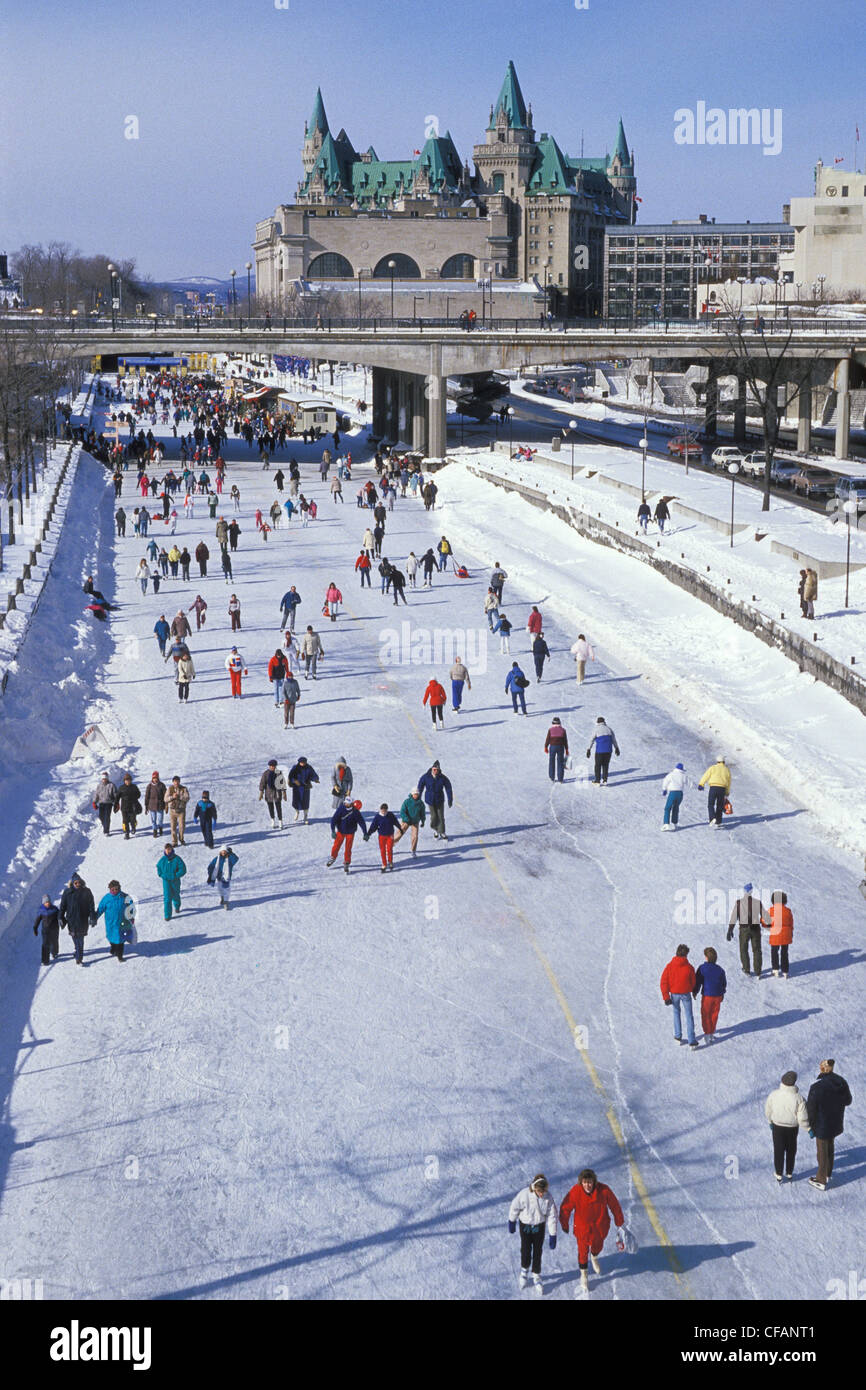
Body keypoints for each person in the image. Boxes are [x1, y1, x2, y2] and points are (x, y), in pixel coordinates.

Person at [559, 1170, 625, 1296]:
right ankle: (583, 1274)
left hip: (600, 1227)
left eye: (589, 1182)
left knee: (597, 1247)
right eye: (584, 1182)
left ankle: (594, 1257)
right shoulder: (576, 1191)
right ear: (581, 1182)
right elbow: (565, 1207)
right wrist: (564, 1222)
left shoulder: (604, 1190)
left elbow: (615, 1205)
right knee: (582, 1251)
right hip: (582, 1229)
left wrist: (619, 1222)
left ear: (594, 1182)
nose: (587, 1185)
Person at [806, 1059, 853, 1191]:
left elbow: (811, 1110)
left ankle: (821, 1180)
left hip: (822, 1125)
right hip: (836, 1122)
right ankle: (828, 1173)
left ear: (822, 1069)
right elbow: (848, 1101)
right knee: (830, 1146)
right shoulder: (842, 1083)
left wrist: (811, 1125)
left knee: (822, 1151)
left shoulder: (816, 1088)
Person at [508, 1175, 558, 1294]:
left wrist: (553, 1234)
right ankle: (524, 1271)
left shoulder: (548, 1198)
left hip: (539, 1227)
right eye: (539, 1191)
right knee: (525, 1249)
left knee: (537, 1251)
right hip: (525, 1226)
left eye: (543, 1191)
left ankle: (536, 1274)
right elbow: (515, 1207)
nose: (541, 1194)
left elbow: (552, 1216)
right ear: (534, 1188)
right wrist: (512, 1221)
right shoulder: (524, 1194)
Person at [764, 1070, 810, 1181]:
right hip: (792, 1129)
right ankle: (789, 1172)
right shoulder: (800, 1098)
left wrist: (770, 1122)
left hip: (777, 1127)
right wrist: (808, 1128)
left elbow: (768, 1110)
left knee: (778, 1150)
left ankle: (778, 1173)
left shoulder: (774, 1094)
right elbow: (802, 1118)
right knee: (791, 1150)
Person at [660, 944, 698, 1048]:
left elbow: (663, 981)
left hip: (674, 994)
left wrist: (666, 997)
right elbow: (693, 982)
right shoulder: (689, 968)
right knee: (689, 1016)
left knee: (676, 1013)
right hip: (686, 994)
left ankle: (678, 1036)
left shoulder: (670, 966)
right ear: (686, 955)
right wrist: (690, 988)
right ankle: (692, 1040)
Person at [727, 883, 766, 978]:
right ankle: (758, 972)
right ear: (752, 891)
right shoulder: (757, 902)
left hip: (744, 929)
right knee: (757, 950)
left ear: (744, 891)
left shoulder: (739, 903)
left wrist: (730, 929)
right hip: (755, 929)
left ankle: (746, 969)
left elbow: (734, 917)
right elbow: (765, 916)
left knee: (743, 949)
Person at [59, 873, 96, 965]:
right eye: (75, 883)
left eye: (79, 882)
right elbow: (63, 906)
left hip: (82, 919)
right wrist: (60, 917)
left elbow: (91, 905)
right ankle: (77, 950)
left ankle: (79, 958)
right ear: (72, 883)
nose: (77, 884)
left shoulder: (87, 891)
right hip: (71, 920)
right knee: (74, 937)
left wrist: (92, 917)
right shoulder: (67, 892)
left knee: (81, 939)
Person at [692, 946, 726, 1044]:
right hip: (718, 996)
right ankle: (711, 1032)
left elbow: (698, 981)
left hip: (707, 996)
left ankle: (707, 1033)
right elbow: (723, 983)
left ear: (706, 957)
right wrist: (722, 993)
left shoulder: (702, 968)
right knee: (714, 1014)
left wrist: (695, 991)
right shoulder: (720, 970)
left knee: (705, 1014)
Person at [95, 879, 135, 962]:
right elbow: (101, 909)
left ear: (119, 888)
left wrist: (131, 917)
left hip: (122, 922)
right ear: (109, 889)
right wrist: (95, 917)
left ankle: (120, 956)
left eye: (116, 889)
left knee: (120, 940)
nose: (114, 891)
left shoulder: (125, 897)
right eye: (112, 889)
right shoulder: (107, 898)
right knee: (111, 938)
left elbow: (131, 907)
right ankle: (113, 947)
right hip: (111, 923)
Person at [327, 797, 367, 874]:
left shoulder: (356, 812)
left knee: (348, 848)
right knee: (336, 845)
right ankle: (333, 857)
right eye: (345, 803)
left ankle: (347, 862)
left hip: (350, 832)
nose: (345, 804)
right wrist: (333, 831)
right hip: (341, 831)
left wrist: (365, 833)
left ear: (351, 804)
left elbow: (362, 822)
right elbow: (333, 820)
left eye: (347, 803)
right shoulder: (341, 809)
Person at [417, 760, 453, 840]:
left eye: (437, 770)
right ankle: (436, 829)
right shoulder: (426, 777)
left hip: (439, 799)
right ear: (432, 768)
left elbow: (448, 788)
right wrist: (418, 798)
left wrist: (450, 799)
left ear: (439, 770)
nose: (435, 771)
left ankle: (442, 831)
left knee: (441, 816)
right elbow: (420, 787)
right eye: (434, 769)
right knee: (434, 816)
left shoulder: (443, 778)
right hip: (430, 800)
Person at [764, 890, 794, 978]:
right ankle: (785, 971)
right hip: (786, 935)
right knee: (784, 952)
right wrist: (791, 932)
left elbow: (764, 921)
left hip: (775, 934)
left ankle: (775, 969)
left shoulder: (771, 910)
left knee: (774, 952)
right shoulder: (788, 911)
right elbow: (791, 923)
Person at [365, 803, 401, 873]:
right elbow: (373, 826)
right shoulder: (377, 817)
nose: (384, 812)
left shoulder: (390, 815)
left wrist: (400, 828)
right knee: (382, 850)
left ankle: (390, 862)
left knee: (389, 849)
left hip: (390, 835)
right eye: (383, 810)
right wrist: (368, 834)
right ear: (380, 810)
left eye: (385, 810)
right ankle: (384, 864)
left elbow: (395, 822)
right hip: (382, 836)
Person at [698, 755, 730, 827]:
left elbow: (706, 775)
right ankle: (718, 822)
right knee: (720, 805)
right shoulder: (726, 769)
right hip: (722, 789)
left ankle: (712, 818)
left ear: (717, 761)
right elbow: (729, 781)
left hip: (713, 788)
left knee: (711, 804)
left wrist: (701, 784)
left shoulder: (713, 768)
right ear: (724, 761)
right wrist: (727, 791)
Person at [157, 844, 186, 922]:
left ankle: (177, 906)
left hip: (175, 881)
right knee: (167, 898)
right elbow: (158, 868)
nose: (168, 851)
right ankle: (167, 915)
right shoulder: (162, 860)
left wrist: (175, 875)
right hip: (166, 882)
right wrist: (162, 875)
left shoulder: (177, 859)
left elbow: (183, 869)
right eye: (166, 849)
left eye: (169, 849)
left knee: (175, 895)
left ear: (172, 849)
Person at [586, 716, 620, 783]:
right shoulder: (609, 729)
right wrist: (617, 748)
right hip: (608, 750)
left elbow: (591, 740)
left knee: (597, 765)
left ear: (598, 722)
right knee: (605, 765)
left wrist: (588, 749)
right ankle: (605, 780)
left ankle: (597, 780)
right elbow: (614, 740)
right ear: (604, 722)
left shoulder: (596, 729)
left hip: (600, 751)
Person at [33, 893, 61, 966]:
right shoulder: (41, 910)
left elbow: (60, 917)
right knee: (45, 944)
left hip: (55, 929)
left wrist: (62, 922)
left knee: (54, 942)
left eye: (48, 902)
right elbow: (37, 920)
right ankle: (45, 960)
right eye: (46, 902)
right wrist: (35, 928)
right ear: (43, 903)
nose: (47, 903)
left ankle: (54, 953)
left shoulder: (54, 909)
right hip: (46, 930)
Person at [288, 757, 319, 822]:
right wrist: (294, 780)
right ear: (299, 762)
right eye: (301, 762)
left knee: (306, 802)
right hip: (297, 787)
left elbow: (313, 775)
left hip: (306, 787)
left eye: (304, 762)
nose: (303, 763)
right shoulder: (295, 768)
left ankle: (305, 816)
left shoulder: (309, 767)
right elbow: (290, 776)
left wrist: (315, 779)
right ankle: (297, 812)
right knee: (296, 802)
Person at [396, 787, 425, 856]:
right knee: (399, 834)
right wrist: (406, 819)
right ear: (412, 794)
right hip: (406, 821)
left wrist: (423, 821)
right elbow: (402, 811)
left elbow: (422, 813)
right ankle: (390, 845)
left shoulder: (420, 803)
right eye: (415, 794)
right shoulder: (407, 801)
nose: (416, 795)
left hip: (415, 822)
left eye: (417, 794)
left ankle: (413, 851)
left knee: (415, 836)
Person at [115, 772, 141, 839]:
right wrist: (116, 804)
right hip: (124, 807)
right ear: (124, 781)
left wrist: (134, 797)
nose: (127, 781)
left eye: (129, 780)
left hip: (133, 806)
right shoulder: (121, 788)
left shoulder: (134, 787)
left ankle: (133, 827)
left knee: (133, 819)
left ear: (131, 780)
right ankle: (127, 833)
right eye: (126, 780)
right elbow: (117, 797)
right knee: (125, 821)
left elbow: (139, 794)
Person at [166, 775, 190, 846]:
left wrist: (179, 797)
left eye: (177, 781)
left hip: (181, 810)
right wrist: (172, 797)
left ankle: (181, 839)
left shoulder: (184, 789)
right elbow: (165, 799)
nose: (176, 783)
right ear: (173, 782)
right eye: (175, 781)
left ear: (179, 782)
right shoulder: (170, 789)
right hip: (172, 811)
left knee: (182, 826)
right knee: (173, 827)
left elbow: (187, 798)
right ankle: (174, 841)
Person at [661, 762, 686, 830]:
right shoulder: (683, 775)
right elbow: (690, 783)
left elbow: (665, 781)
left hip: (673, 793)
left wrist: (664, 789)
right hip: (680, 794)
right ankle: (675, 823)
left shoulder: (671, 774)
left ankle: (666, 824)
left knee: (668, 808)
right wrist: (699, 786)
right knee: (676, 807)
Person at [92, 772, 118, 836]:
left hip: (109, 803)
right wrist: (94, 802)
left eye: (105, 778)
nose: (104, 780)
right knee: (101, 816)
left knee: (107, 817)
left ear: (107, 778)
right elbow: (96, 794)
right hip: (101, 803)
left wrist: (116, 803)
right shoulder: (99, 786)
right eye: (103, 779)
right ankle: (105, 825)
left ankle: (106, 831)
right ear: (102, 779)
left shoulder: (111, 785)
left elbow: (115, 794)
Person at [544, 717, 569, 783]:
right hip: (560, 747)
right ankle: (560, 778)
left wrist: (546, 747)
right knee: (560, 762)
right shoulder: (563, 730)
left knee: (551, 761)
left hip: (552, 747)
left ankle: (552, 777)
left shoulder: (550, 730)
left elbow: (548, 739)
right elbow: (565, 741)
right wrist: (566, 749)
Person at [144, 771, 167, 838]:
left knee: (160, 819)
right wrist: (146, 806)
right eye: (154, 778)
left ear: (158, 778)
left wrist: (166, 805)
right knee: (153, 820)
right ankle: (154, 831)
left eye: (156, 778)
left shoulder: (162, 785)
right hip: (151, 805)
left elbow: (165, 795)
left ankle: (160, 828)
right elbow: (147, 796)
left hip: (160, 805)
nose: (155, 779)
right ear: (152, 778)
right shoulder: (149, 786)